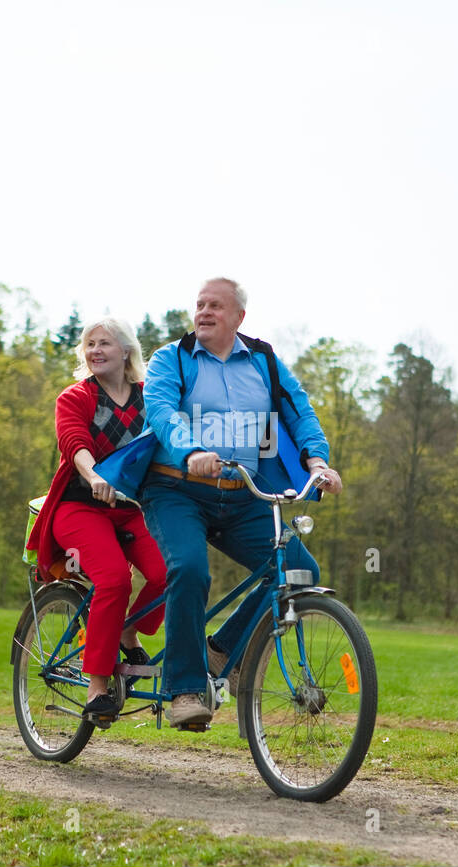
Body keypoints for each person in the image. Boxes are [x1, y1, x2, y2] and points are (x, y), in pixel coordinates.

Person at [139, 278, 343, 729]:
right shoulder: (170, 358)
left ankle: (222, 650)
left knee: (300, 571)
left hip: (241, 492)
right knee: (191, 570)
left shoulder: (264, 360)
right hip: (176, 488)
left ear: (239, 317)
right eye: (199, 305)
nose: (204, 312)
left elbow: (299, 410)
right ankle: (185, 690)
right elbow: (160, 410)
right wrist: (190, 451)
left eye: (215, 305)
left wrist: (318, 461)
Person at [26, 317, 167, 722]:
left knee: (172, 570)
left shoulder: (149, 398)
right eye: (89, 345)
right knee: (115, 580)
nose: (95, 351)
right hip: (79, 507)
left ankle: (128, 630)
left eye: (104, 343)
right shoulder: (75, 398)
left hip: (130, 508)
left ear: (126, 352)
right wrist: (95, 476)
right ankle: (97, 688)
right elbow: (74, 444)